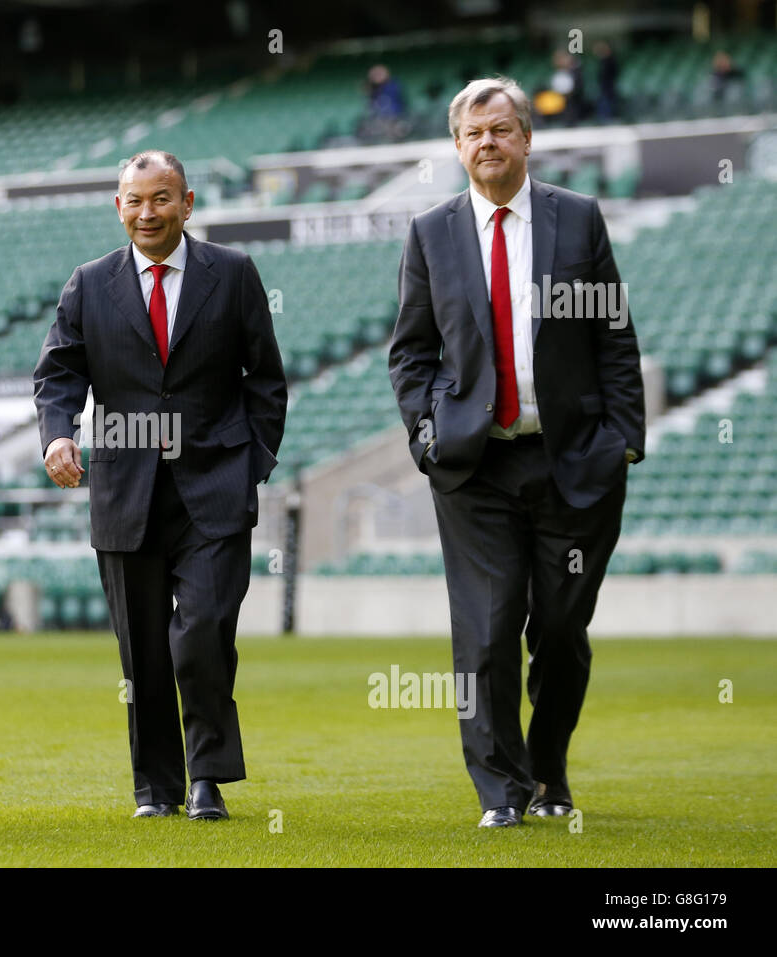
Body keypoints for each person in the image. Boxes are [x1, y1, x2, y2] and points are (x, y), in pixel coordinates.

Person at [388, 78, 645, 828]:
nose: (488, 143)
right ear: (458, 146)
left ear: (527, 139)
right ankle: (502, 788)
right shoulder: (431, 233)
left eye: (502, 130)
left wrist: (622, 441)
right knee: (487, 632)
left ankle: (548, 763)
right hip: (476, 468)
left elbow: (613, 338)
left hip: (574, 461)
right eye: (474, 133)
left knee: (560, 631)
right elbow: (411, 351)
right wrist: (426, 434)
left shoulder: (577, 219)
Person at [34, 150, 287, 821]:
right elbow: (58, 374)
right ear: (118, 207)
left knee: (202, 633)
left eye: (162, 198)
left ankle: (208, 776)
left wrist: (251, 461)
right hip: (124, 491)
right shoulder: (88, 285)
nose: (148, 213)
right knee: (142, 650)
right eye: (135, 201)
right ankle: (157, 788)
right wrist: (60, 433)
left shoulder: (232, 275)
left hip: (215, 486)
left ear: (188, 203)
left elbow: (265, 378)